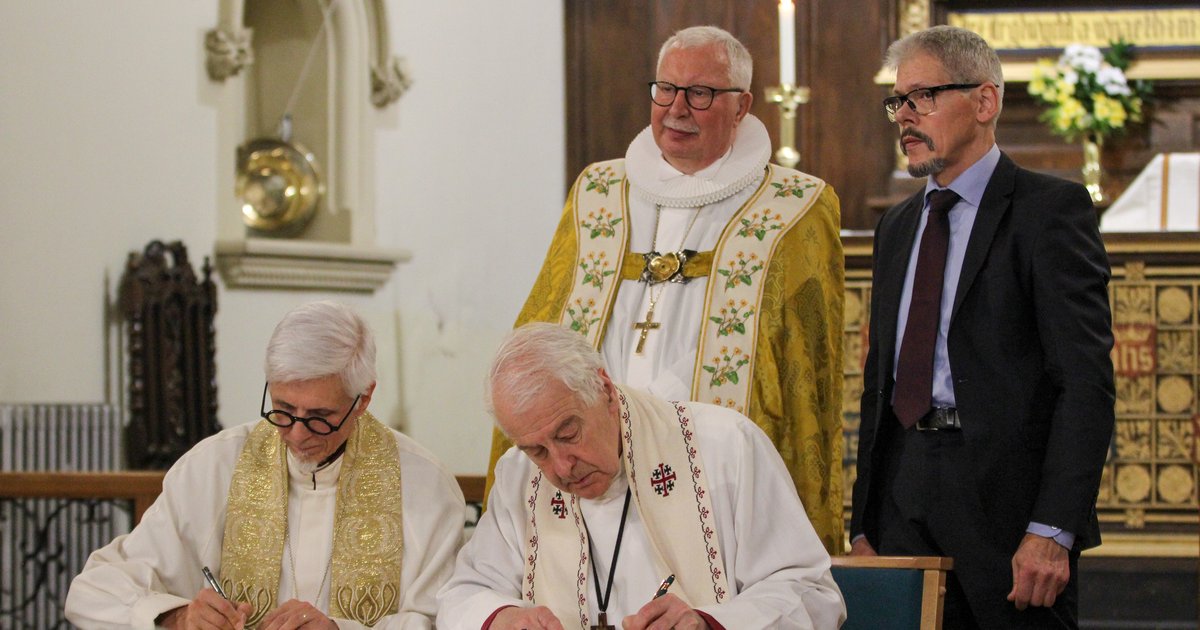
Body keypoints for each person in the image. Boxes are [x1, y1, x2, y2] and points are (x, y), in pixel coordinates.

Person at [486, 25, 845, 553]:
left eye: (700, 94)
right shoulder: (598, 192)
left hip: (715, 476)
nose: (677, 108)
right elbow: (546, 323)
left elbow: (804, 375)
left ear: (742, 105)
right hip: (588, 465)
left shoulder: (795, 206)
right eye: (665, 89)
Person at [849, 26, 1115, 629]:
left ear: (985, 102)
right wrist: (864, 523)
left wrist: (1052, 528)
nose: (904, 118)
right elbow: (879, 384)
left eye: (923, 98)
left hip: (1006, 505)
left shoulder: (1049, 212)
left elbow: (1084, 384)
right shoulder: (897, 227)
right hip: (904, 494)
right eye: (898, 102)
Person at [66, 301, 465, 629]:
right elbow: (92, 591)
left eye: (319, 417)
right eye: (283, 409)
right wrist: (177, 616)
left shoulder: (424, 485)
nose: (295, 434)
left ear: (363, 399)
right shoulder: (214, 467)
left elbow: (446, 619)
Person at [441, 322, 845, 630]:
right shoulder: (518, 478)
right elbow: (463, 593)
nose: (561, 467)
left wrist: (709, 622)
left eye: (568, 434)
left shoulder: (724, 446)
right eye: (538, 451)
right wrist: (503, 617)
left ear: (604, 390)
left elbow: (812, 594)